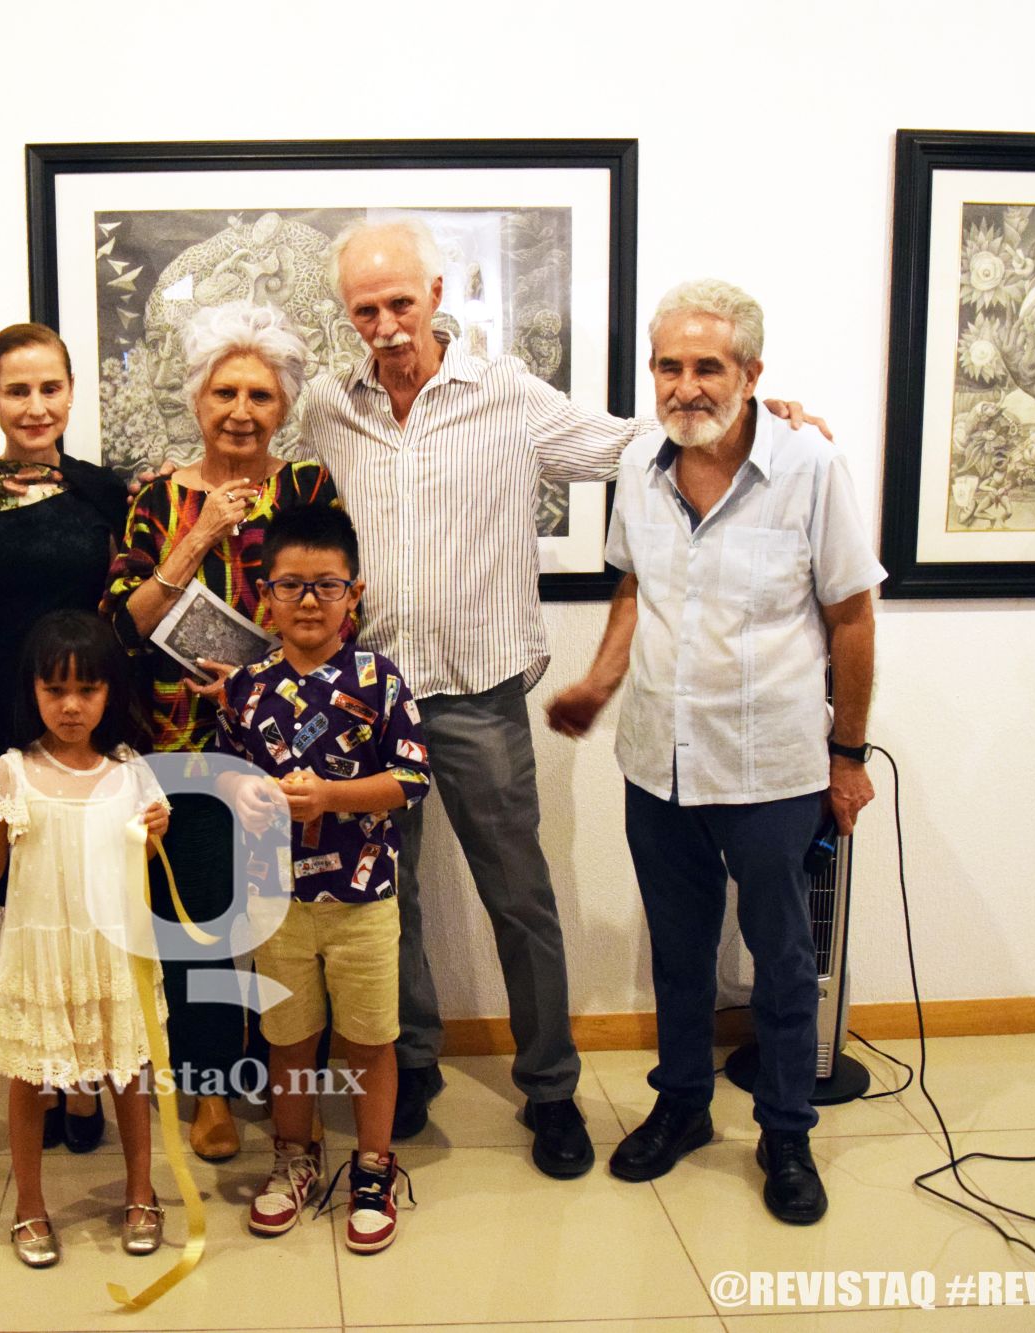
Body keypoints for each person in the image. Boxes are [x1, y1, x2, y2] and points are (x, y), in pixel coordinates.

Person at [299, 218, 825, 1179]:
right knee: (387, 900)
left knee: (522, 900)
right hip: (367, 699)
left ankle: (550, 1089)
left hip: (478, 693)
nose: (383, 324)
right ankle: (410, 1063)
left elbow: (638, 441)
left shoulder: (505, 395)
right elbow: (262, 478)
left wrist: (758, 414)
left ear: (440, 291)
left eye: (400, 302)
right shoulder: (329, 406)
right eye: (364, 308)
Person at [546, 278, 883, 1226]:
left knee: (781, 959)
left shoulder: (810, 465)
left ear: (752, 373)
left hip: (773, 764)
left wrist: (847, 754)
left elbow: (852, 615)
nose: (685, 385)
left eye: (708, 366)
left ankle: (785, 1131)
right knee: (681, 950)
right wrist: (602, 680)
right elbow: (633, 589)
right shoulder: (642, 468)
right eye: (669, 365)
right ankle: (683, 1105)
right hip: (659, 761)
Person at [101, 301, 341, 1161]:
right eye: (225, 391)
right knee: (200, 922)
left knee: (285, 920)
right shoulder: (157, 496)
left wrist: (264, 673)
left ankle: (287, 1089)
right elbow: (123, 624)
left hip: (291, 735)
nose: (242, 410)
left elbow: (339, 596)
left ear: (284, 407)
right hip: (179, 743)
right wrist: (197, 536)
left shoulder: (307, 488)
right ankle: (209, 1093)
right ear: (197, 400)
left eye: (261, 395)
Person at [203, 504, 429, 1256]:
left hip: (365, 901)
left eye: (325, 586)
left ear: (353, 594)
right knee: (288, 1037)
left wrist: (331, 795)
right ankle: (292, 1157)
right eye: (291, 585)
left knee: (370, 1039)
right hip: (276, 902)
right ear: (265, 593)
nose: (307, 601)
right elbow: (223, 772)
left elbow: (411, 779)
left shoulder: (381, 677)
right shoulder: (246, 688)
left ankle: (372, 1166)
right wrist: (246, 793)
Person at [0, 611, 173, 1269]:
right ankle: (30, 1205)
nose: (71, 705)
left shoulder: (130, 771)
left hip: (112, 951)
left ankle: (141, 1191)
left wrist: (154, 832)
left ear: (110, 692)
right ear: (31, 690)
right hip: (41, 956)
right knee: (29, 1079)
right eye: (55, 689)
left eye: (88, 689)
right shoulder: (13, 771)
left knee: (127, 1071)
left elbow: (142, 864)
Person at [0, 322, 128, 1151]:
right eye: (17, 390)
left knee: (89, 899)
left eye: (50, 387)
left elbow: (130, 604)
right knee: (16, 893)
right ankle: (42, 1067)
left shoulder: (106, 492)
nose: (35, 405)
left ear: (71, 391)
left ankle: (87, 1082)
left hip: (85, 719)